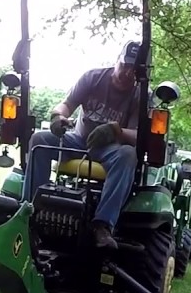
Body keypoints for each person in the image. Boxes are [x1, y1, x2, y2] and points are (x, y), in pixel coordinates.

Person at [25, 41, 147, 249]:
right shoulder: (93, 78)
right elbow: (67, 104)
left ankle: (102, 225)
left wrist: (116, 131)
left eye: (133, 70)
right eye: (125, 65)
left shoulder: (140, 95)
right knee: (39, 140)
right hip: (78, 140)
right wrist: (58, 116)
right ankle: (30, 209)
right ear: (117, 60)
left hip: (110, 150)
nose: (127, 73)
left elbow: (139, 137)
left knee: (128, 155)